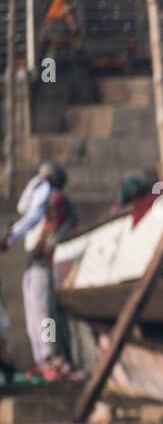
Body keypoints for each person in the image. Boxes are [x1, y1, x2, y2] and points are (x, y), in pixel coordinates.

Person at [2, 162, 76, 379]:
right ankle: (42, 362)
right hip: (33, 264)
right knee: (33, 315)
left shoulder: (53, 198)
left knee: (45, 314)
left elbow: (32, 216)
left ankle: (51, 357)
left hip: (45, 263)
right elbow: (24, 208)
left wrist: (11, 236)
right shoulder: (41, 196)